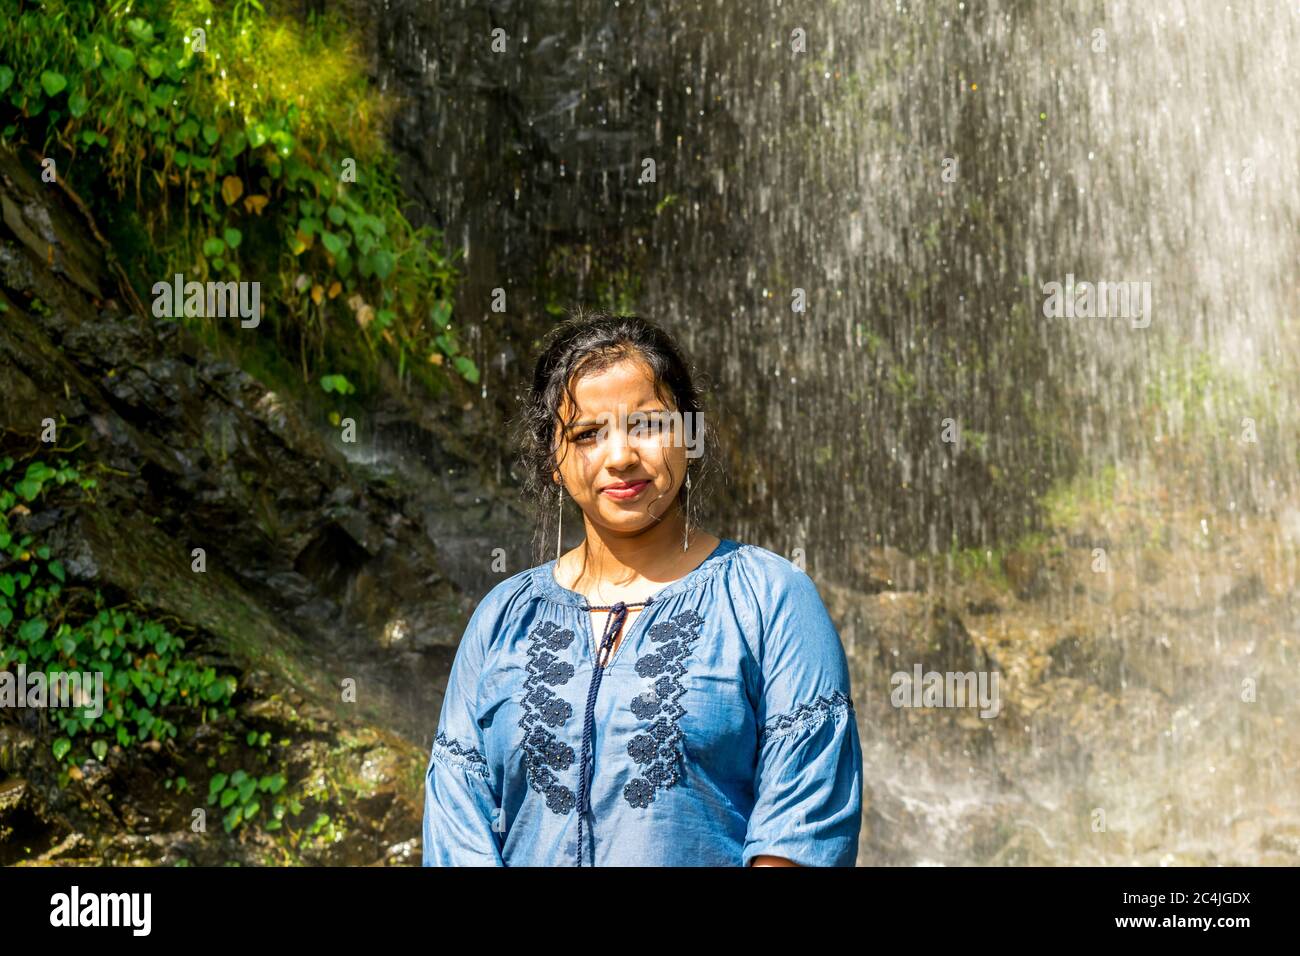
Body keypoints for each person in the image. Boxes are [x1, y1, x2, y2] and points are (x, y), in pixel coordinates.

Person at [422, 309, 862, 866]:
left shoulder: (770, 598)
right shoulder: (503, 618)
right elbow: (456, 825)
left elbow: (801, 831)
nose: (621, 456)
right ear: (552, 460)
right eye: (587, 434)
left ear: (689, 434)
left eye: (648, 426)